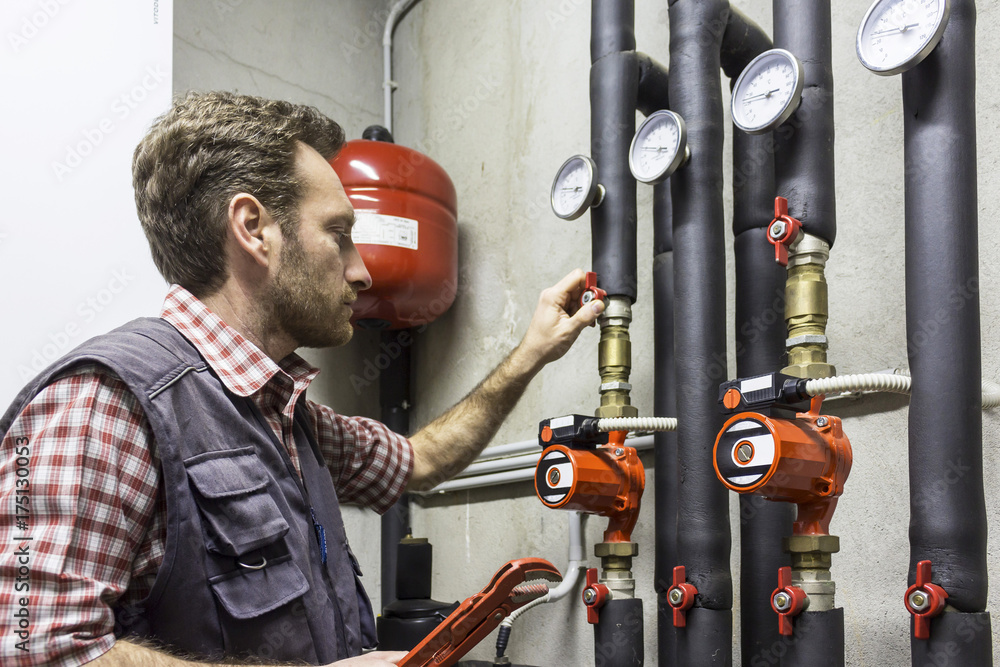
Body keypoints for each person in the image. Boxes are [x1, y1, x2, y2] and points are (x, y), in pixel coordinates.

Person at [0, 91, 604, 666]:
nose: (361, 272)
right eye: (339, 236)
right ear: (253, 229)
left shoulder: (289, 416)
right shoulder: (103, 404)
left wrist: (532, 352)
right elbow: (31, 649)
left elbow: (418, 461)